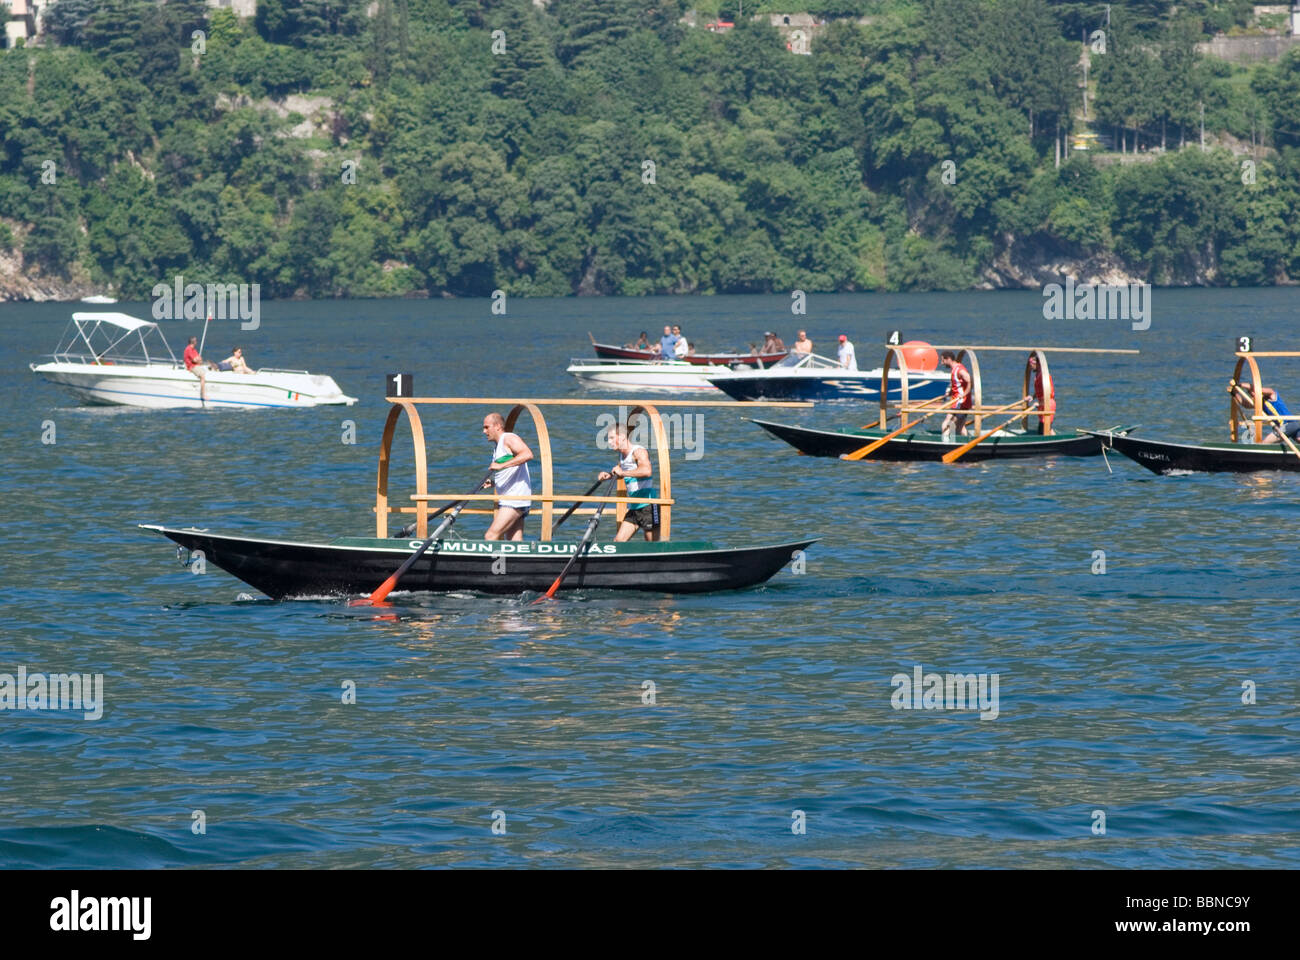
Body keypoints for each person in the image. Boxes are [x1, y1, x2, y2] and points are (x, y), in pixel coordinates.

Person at [597, 423, 659, 542]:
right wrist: (609, 476)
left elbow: (647, 471)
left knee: (652, 547)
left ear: (622, 437)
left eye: (611, 438)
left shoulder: (638, 451)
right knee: (618, 542)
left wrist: (622, 473)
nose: (609, 442)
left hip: (648, 506)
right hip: (635, 507)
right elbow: (626, 473)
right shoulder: (622, 455)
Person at [481, 412, 534, 541]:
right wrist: (494, 483)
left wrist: (501, 465)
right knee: (513, 542)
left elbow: (527, 454)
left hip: (514, 500)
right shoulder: (498, 446)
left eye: (487, 427)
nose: (484, 431)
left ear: (498, 426)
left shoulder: (508, 438)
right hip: (512, 499)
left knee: (491, 536)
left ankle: (491, 562)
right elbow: (510, 470)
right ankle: (520, 562)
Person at [1232, 381, 1300, 444]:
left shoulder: (1272, 394)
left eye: (1253, 392)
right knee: (1298, 439)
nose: (1252, 395)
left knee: (1263, 444)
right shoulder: (1259, 404)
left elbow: (1258, 390)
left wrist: (1238, 384)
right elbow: (1245, 404)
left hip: (1288, 425)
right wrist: (1234, 393)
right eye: (1250, 394)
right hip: (1291, 426)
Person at [940, 351, 973, 439]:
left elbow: (970, 381)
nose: (941, 363)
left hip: (961, 403)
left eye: (943, 361)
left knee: (950, 426)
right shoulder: (954, 369)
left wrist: (964, 394)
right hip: (956, 402)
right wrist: (951, 392)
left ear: (949, 359)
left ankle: (947, 442)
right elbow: (958, 384)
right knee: (958, 426)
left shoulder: (959, 370)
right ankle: (964, 442)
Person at [1022, 353, 1055, 434]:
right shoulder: (1037, 375)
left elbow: (1048, 392)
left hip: (1047, 403)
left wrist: (1040, 403)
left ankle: (1054, 443)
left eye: (1032, 364)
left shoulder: (1044, 376)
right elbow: (1040, 391)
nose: (1031, 366)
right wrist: (1032, 397)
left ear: (1038, 364)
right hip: (1042, 404)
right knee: (1045, 429)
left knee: (1045, 429)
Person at [183, 336, 213, 401]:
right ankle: (203, 395)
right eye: (196, 341)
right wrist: (197, 359)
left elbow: (200, 359)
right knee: (202, 376)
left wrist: (198, 359)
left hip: (197, 365)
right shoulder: (189, 349)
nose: (197, 342)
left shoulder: (194, 350)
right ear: (193, 342)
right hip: (192, 367)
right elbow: (194, 360)